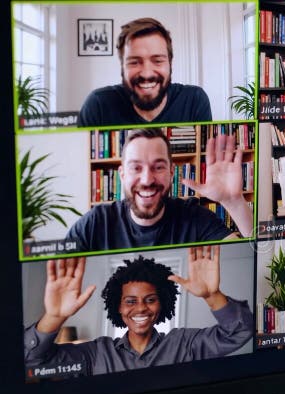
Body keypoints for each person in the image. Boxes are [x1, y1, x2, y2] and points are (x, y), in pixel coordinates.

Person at [24, 246, 253, 376]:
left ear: (162, 303)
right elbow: (32, 361)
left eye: (150, 299)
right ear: (119, 307)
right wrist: (54, 317)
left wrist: (212, 296)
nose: (141, 307)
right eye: (130, 301)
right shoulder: (96, 354)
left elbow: (240, 333)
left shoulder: (185, 343)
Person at [65, 127, 253, 252]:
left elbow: (251, 260)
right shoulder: (95, 223)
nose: (147, 179)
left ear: (172, 172)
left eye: (158, 167)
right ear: (122, 174)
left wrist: (234, 202)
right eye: (136, 167)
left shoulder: (193, 217)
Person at [78, 18, 212, 126]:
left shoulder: (194, 100)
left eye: (157, 61)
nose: (146, 74)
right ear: (122, 66)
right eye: (134, 62)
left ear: (170, 63)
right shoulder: (97, 105)